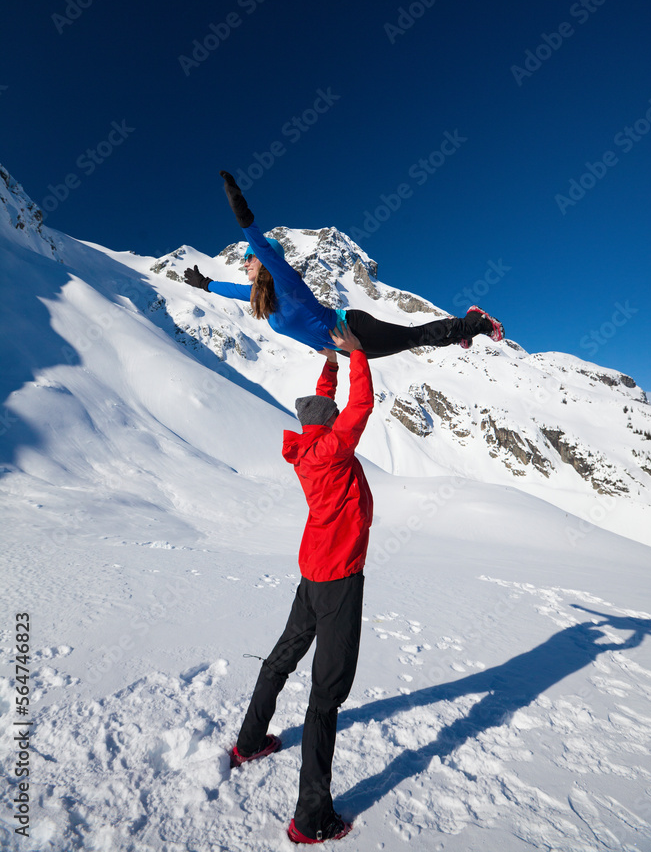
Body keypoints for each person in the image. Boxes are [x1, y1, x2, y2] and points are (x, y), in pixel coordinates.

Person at [230, 323, 373, 844]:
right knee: (325, 697)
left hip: (312, 573)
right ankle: (311, 819)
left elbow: (326, 406)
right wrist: (356, 356)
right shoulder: (334, 449)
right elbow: (359, 409)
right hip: (338, 581)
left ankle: (248, 742)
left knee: (283, 656)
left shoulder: (311, 442)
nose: (332, 418)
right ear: (327, 427)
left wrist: (330, 365)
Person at [184, 171, 504, 357]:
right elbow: (231, 290)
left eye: (248, 259)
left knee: (415, 337)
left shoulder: (284, 279)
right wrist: (204, 284)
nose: (244, 264)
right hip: (345, 347)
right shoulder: (261, 297)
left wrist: (240, 209)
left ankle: (475, 322)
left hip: (352, 328)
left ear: (269, 259)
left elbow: (259, 246)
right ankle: (463, 330)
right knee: (414, 341)